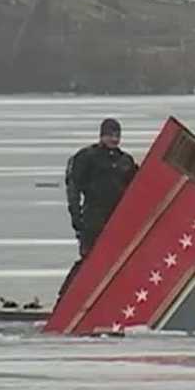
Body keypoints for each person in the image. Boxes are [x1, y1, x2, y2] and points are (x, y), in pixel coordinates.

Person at [58, 118, 138, 298]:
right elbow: (74, 186)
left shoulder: (125, 161)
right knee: (89, 261)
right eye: (110, 135)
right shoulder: (87, 157)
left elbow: (137, 188)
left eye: (117, 135)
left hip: (118, 219)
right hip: (93, 218)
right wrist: (76, 216)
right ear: (102, 135)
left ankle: (111, 299)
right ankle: (66, 299)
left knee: (116, 262)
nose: (114, 139)